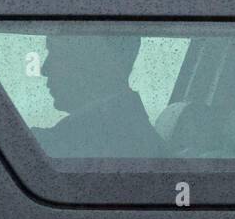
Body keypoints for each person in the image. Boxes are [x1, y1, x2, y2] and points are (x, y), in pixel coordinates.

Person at [35, 32, 165, 158]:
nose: (44, 69)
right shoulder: (147, 142)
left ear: (96, 61)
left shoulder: (60, 147)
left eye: (57, 54)